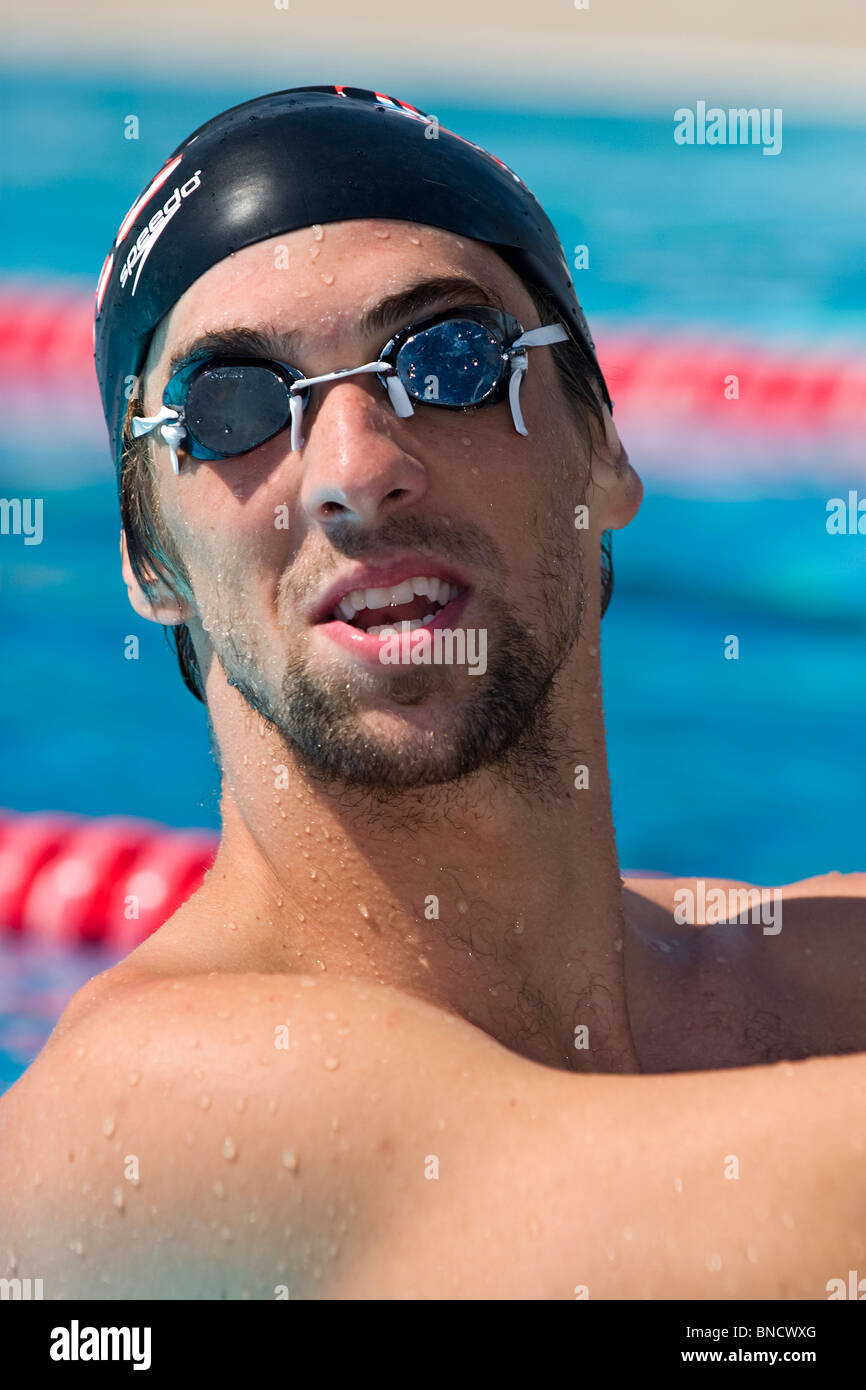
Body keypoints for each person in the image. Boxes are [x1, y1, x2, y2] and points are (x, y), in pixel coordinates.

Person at [2, 87, 864, 1300]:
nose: (355, 470)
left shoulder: (801, 967)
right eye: (230, 405)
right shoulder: (145, 1108)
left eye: (449, 359)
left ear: (604, 452)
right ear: (151, 564)